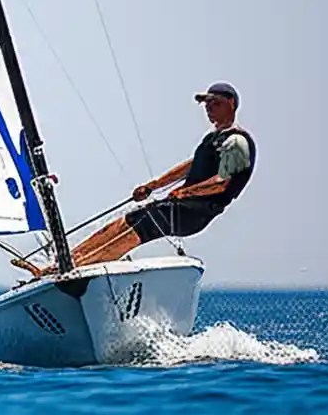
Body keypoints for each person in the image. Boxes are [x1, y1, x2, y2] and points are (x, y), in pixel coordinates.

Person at [13, 82, 255, 277]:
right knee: (125, 221)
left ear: (231, 104)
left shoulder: (236, 142)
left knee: (135, 230)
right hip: (183, 206)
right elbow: (189, 167)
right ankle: (63, 262)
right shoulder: (213, 138)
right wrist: (152, 186)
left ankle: (74, 269)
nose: (208, 108)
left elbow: (222, 182)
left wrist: (184, 193)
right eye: (206, 104)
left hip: (197, 212)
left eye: (214, 103)